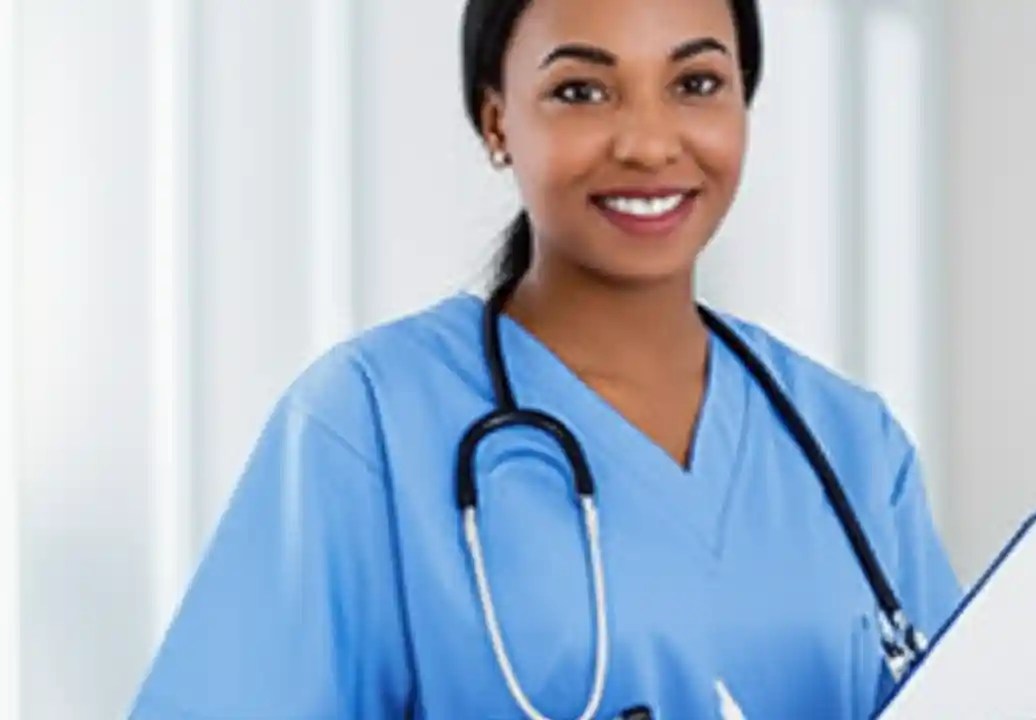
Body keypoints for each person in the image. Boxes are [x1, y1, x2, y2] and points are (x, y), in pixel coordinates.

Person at [131, 0, 961, 717]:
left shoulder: (852, 443)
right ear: (497, 120)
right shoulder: (369, 422)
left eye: (697, 84)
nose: (647, 142)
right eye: (581, 91)